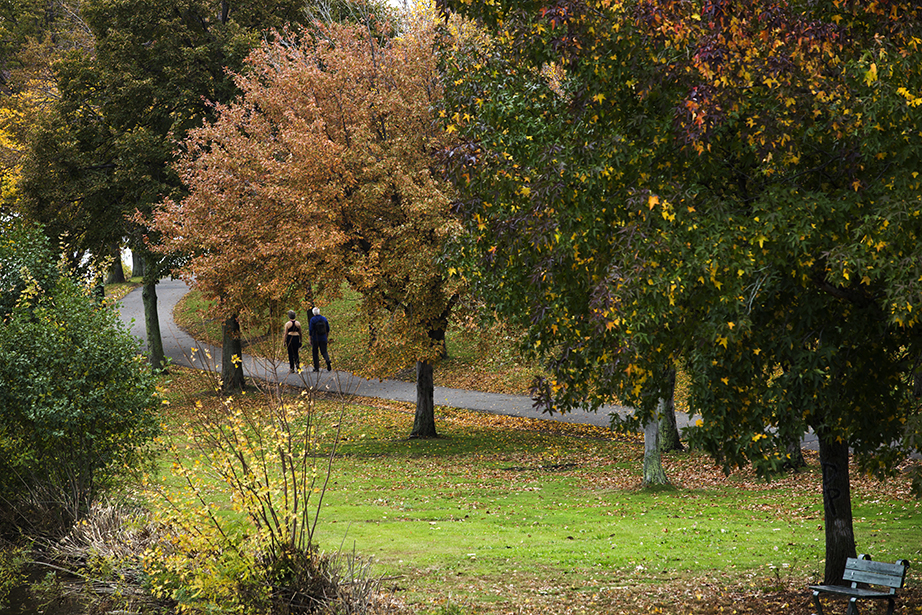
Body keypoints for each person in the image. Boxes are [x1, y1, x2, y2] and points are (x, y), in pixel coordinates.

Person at [309, 306, 332, 372]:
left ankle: (316, 367)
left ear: (313, 313)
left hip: (315, 338)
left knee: (315, 353)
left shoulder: (312, 320)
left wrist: (310, 339)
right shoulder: (324, 318)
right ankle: (327, 360)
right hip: (323, 338)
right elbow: (327, 329)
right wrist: (326, 337)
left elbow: (311, 330)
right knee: (324, 351)